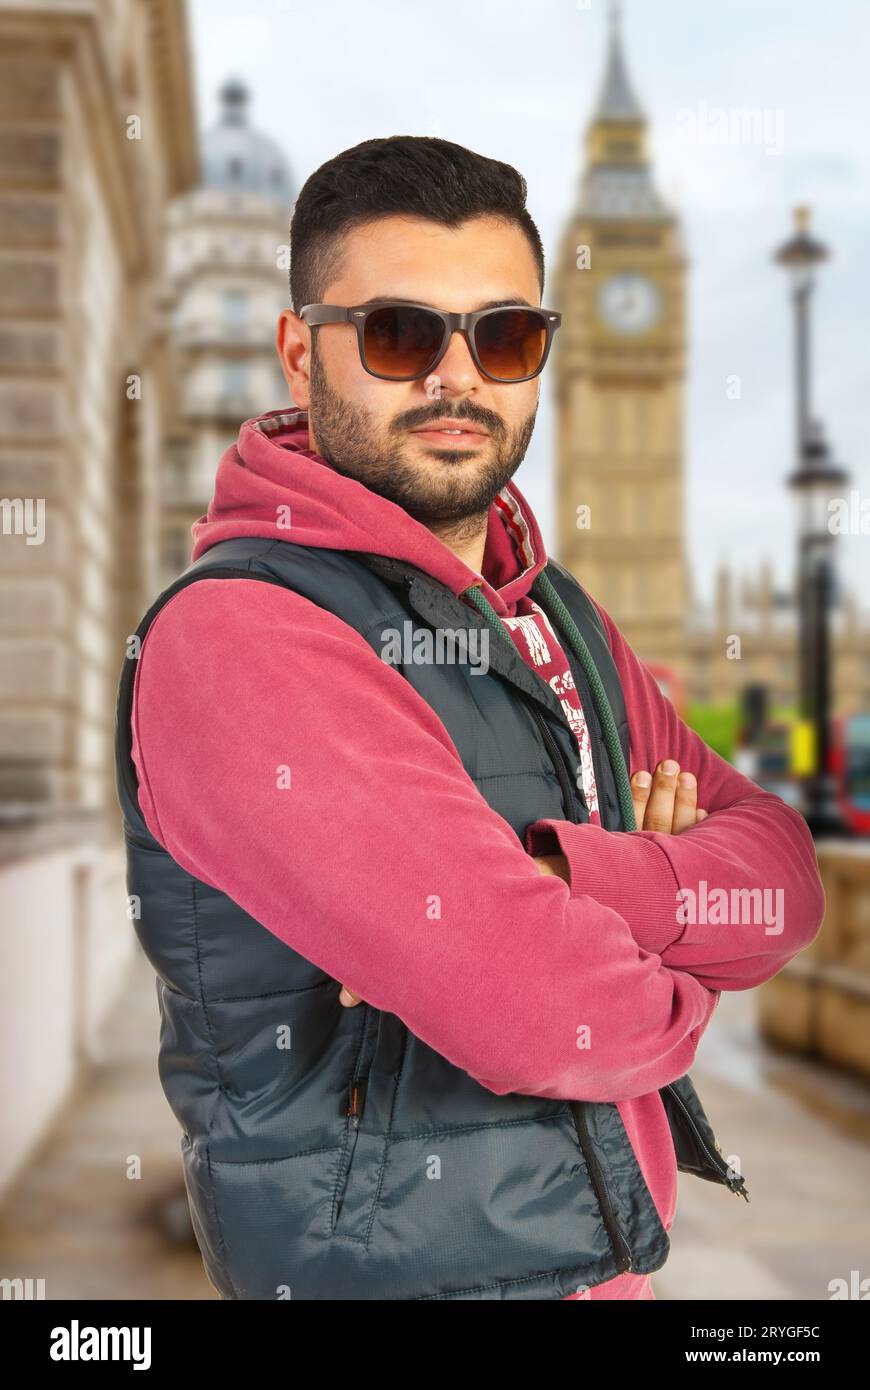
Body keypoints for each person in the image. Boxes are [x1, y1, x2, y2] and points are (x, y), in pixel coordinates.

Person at [115, 136, 825, 1301]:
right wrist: (677, 937)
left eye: (503, 335)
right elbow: (555, 1014)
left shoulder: (556, 611)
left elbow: (783, 876)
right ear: (300, 352)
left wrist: (588, 885)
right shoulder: (239, 636)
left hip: (608, 1273)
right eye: (400, 334)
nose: (459, 377)